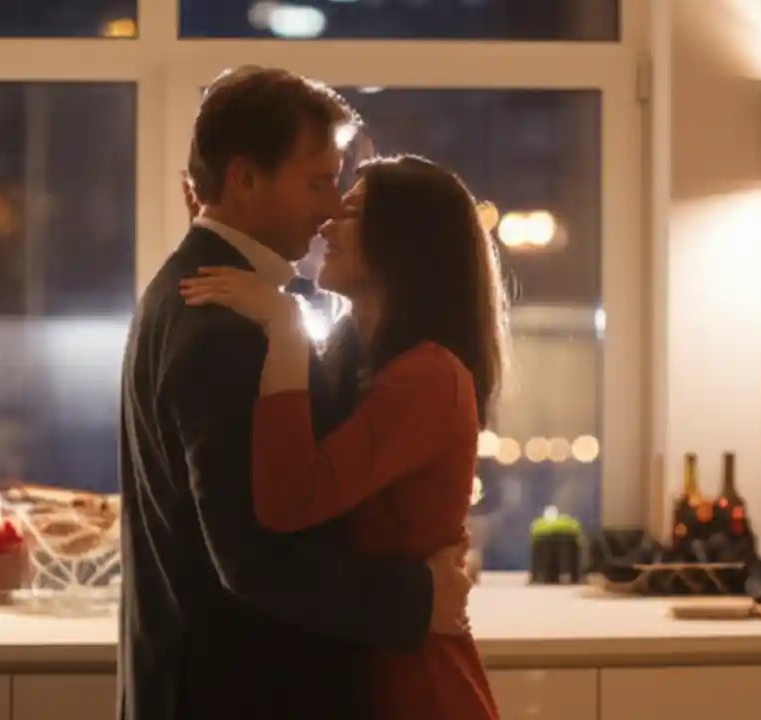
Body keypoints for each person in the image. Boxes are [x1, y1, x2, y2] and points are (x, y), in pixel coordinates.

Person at [117, 67, 472, 720]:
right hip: (247, 693)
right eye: (317, 182)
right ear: (245, 179)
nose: (332, 205)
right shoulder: (222, 324)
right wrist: (419, 598)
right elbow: (255, 561)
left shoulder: (198, 293)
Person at [179, 154, 507, 720]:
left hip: (417, 686)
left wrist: (284, 325)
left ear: (401, 241)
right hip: (370, 670)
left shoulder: (430, 376)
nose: (328, 220)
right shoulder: (354, 357)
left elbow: (291, 501)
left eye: (351, 210)